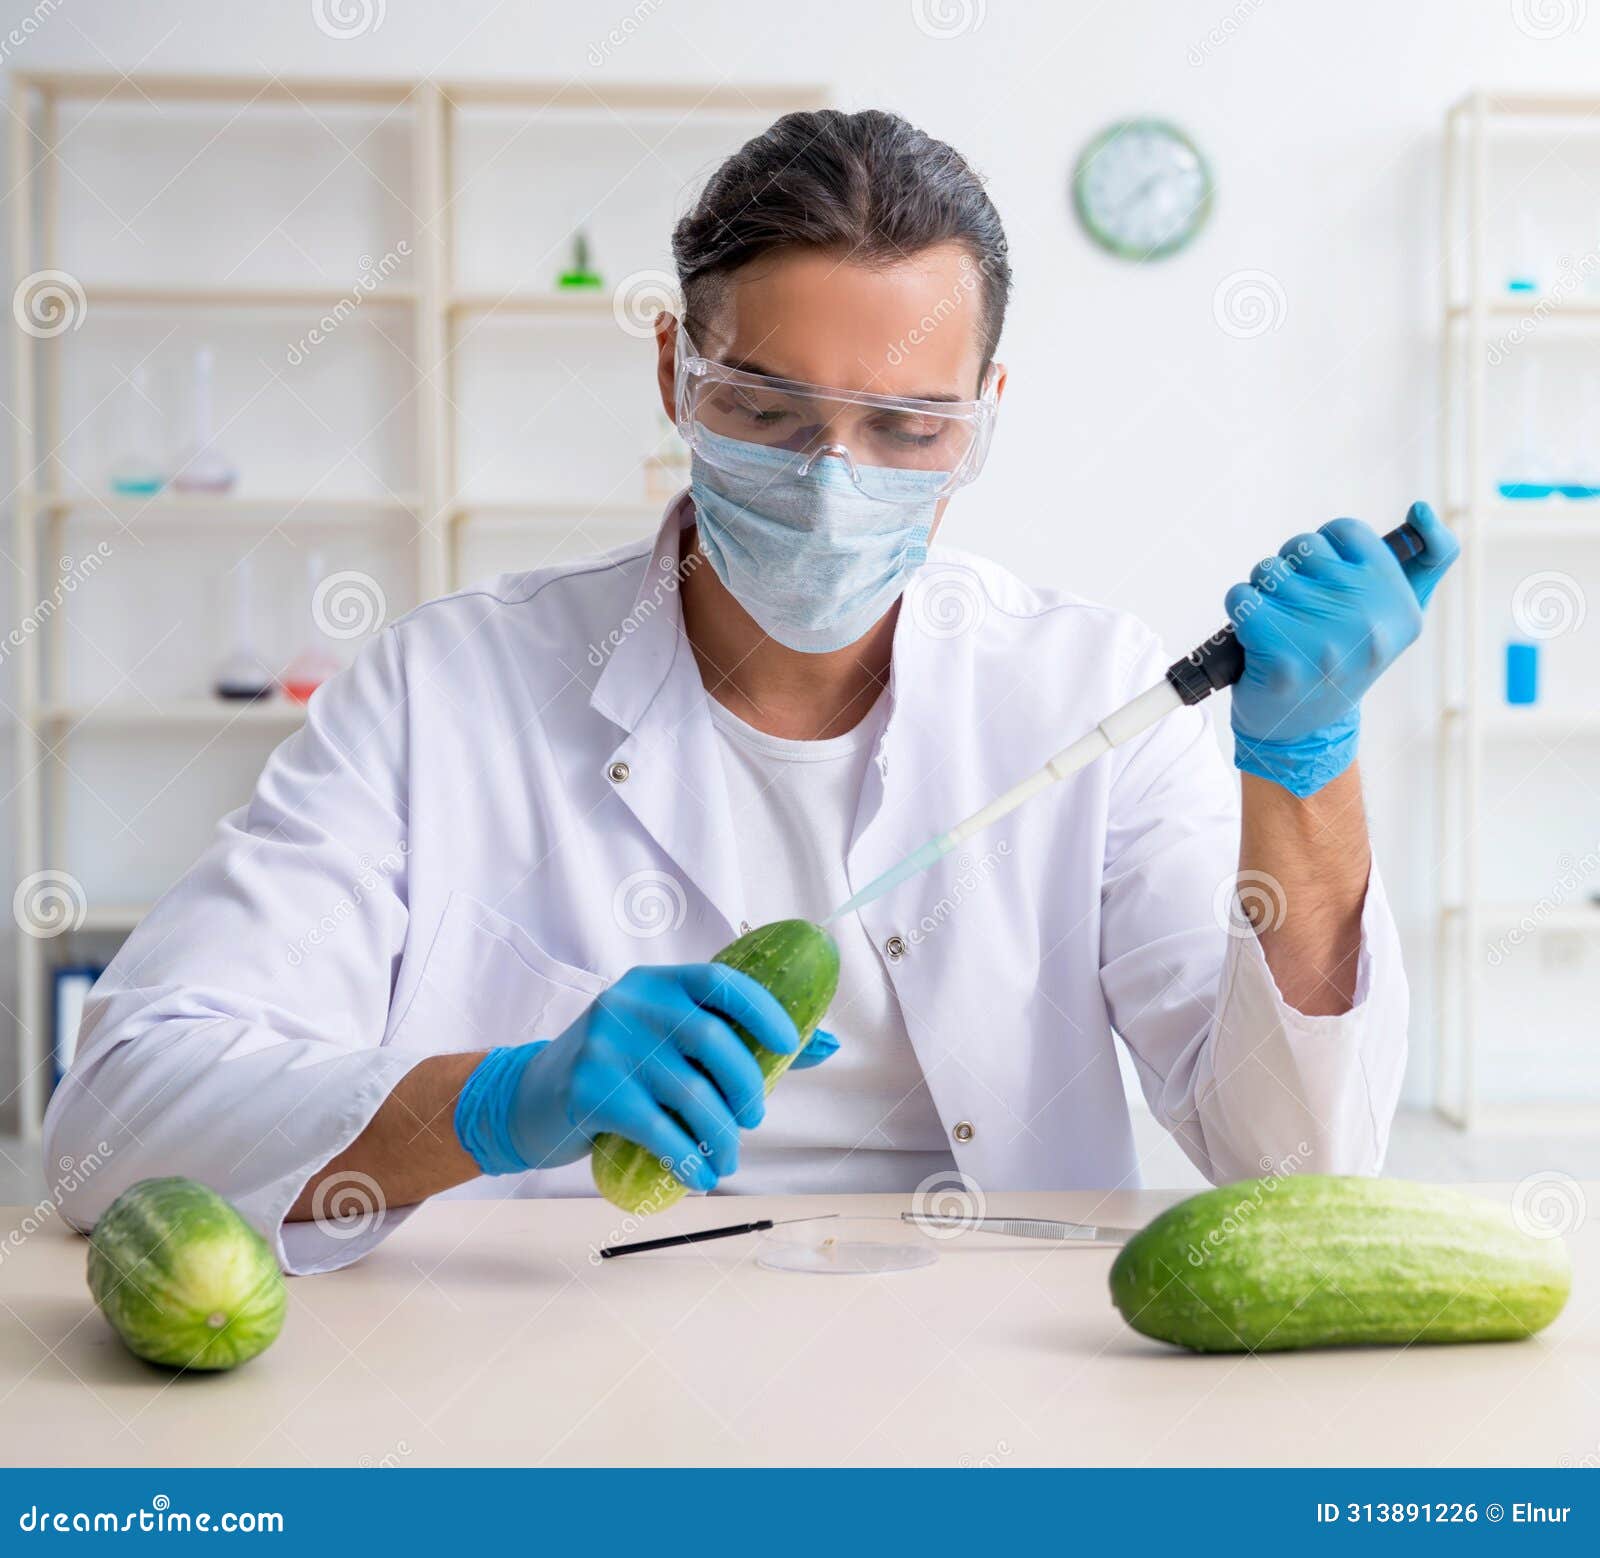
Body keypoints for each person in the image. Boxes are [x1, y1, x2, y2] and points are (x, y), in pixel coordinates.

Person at [45, 110, 1458, 1273]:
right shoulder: (445, 691)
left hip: (986, 1372)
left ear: (982, 421)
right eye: (770, 412)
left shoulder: (1086, 691)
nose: (833, 479)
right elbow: (112, 1126)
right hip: (535, 1359)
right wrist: (497, 1099)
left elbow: (1303, 1171)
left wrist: (1306, 768)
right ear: (675, 369)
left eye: (906, 425)